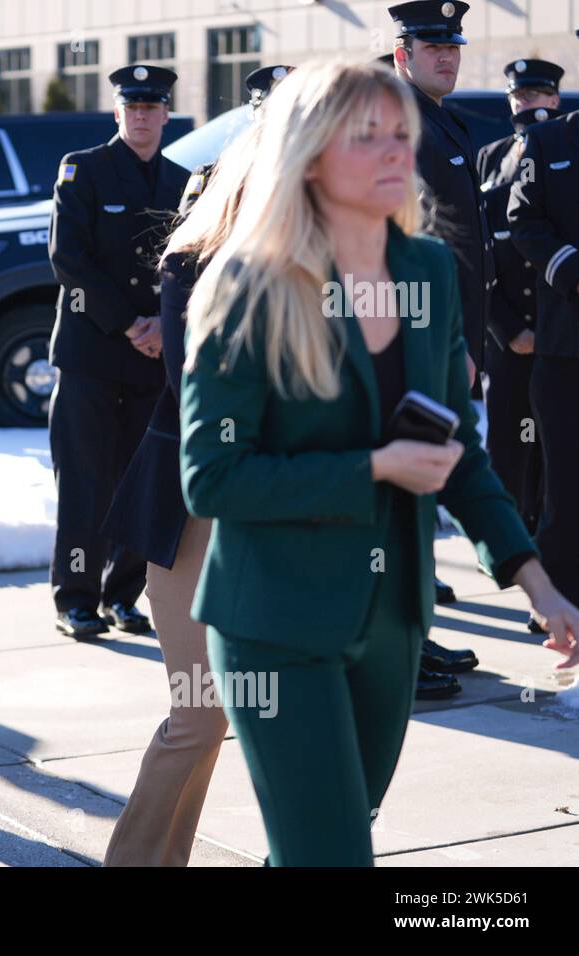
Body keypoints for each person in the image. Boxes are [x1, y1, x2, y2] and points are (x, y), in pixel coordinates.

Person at [178, 59, 579, 866]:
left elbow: (453, 448)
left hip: (390, 622)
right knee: (330, 854)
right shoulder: (249, 284)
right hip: (276, 621)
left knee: (325, 838)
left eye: (403, 133)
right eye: (368, 137)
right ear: (310, 153)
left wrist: (536, 581)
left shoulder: (426, 269)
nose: (398, 151)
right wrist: (374, 466)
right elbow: (213, 476)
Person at [101, 64, 290, 868]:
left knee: (260, 712)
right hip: (195, 510)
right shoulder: (196, 263)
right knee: (200, 711)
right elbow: (198, 391)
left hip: (277, 511)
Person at [47, 63, 190, 639]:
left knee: (143, 482)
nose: (141, 117)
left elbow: (189, 263)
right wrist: (131, 322)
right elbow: (69, 260)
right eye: (131, 108)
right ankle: (77, 598)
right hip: (93, 354)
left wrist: (164, 325)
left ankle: (123, 595)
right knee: (85, 481)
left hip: (154, 357)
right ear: (117, 112)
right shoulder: (83, 170)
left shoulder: (183, 182)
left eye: (151, 108)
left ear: (164, 114)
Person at [389, 0, 488, 686]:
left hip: (450, 337)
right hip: (412, 339)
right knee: (400, 494)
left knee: (422, 492)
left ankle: (415, 629)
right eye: (432, 47)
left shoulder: (444, 119)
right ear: (403, 54)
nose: (446, 56)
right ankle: (396, 646)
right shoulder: (397, 123)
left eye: (452, 46)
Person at [476, 60, 563, 543]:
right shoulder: (490, 158)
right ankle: (510, 543)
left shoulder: (564, 152)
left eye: (537, 95)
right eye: (519, 96)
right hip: (509, 338)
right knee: (510, 447)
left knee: (555, 453)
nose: (527, 103)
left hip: (559, 336)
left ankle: (548, 544)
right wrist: (507, 329)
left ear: (555, 98)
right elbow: (478, 254)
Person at [508, 48, 579, 625]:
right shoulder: (550, 142)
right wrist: (573, 270)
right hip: (565, 347)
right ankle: (559, 604)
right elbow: (523, 222)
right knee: (564, 480)